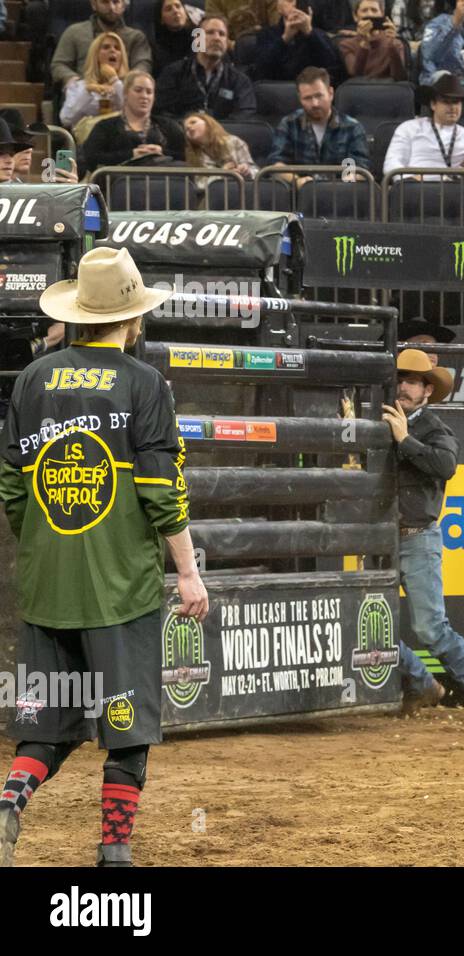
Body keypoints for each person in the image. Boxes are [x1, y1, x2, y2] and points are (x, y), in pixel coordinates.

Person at [0, 247, 208, 868]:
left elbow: (12, 486)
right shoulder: (145, 384)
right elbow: (161, 490)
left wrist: (42, 544)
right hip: (120, 590)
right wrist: (188, 571)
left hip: (47, 585)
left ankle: (9, 802)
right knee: (128, 729)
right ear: (133, 318)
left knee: (46, 726)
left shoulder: (33, 379)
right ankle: (114, 851)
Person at [384, 349, 464, 730]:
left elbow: (446, 465)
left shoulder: (434, 429)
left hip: (416, 538)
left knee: (431, 629)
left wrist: (404, 439)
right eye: (400, 380)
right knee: (372, 627)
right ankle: (422, 682)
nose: (404, 387)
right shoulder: (383, 422)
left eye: (412, 381)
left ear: (427, 390)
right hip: (383, 540)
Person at [266, 66, 371, 183]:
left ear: (330, 93)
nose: (315, 103)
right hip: (299, 192)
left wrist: (344, 181)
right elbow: (276, 165)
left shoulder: (352, 128)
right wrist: (297, 181)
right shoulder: (289, 124)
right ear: (299, 98)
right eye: (307, 98)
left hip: (340, 191)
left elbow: (360, 168)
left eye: (319, 96)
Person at [386, 74, 464, 181]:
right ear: (433, 104)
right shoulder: (409, 128)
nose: (453, 107)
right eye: (446, 102)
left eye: (456, 102)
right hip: (415, 187)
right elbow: (391, 163)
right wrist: (409, 179)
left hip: (452, 189)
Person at [155, 14, 258, 124]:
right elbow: (163, 114)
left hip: (223, 133)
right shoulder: (173, 73)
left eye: (222, 34)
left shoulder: (240, 81)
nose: (217, 38)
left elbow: (243, 117)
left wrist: (213, 130)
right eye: (210, 32)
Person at [81, 71, 187, 175]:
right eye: (138, 90)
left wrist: (162, 151)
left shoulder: (168, 126)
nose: (144, 96)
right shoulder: (105, 126)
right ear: (125, 93)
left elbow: (186, 156)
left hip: (164, 183)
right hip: (121, 183)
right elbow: (91, 158)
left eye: (149, 92)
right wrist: (131, 154)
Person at [51, 0, 153, 91]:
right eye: (105, 2)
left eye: (116, 2)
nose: (111, 7)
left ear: (123, 6)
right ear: (94, 4)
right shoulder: (74, 32)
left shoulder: (135, 37)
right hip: (84, 92)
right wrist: (73, 81)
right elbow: (59, 64)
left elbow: (143, 65)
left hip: (122, 94)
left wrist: (128, 82)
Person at [251, 0, 344, 83]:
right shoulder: (266, 34)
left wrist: (310, 33)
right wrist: (285, 39)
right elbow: (261, 70)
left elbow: (332, 67)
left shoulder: (319, 35)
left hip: (312, 88)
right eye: (289, 0)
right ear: (279, 7)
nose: (295, 4)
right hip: (277, 90)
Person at [58, 31, 128, 136]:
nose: (112, 50)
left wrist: (114, 80)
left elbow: (132, 113)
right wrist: (88, 91)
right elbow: (66, 119)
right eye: (106, 47)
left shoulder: (128, 86)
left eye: (117, 48)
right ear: (95, 55)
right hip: (87, 140)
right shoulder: (78, 86)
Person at [183, 111, 258, 191]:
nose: (189, 127)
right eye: (186, 129)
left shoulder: (234, 141)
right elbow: (200, 184)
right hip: (214, 194)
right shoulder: (193, 156)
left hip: (242, 190)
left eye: (193, 122)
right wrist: (222, 173)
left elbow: (257, 173)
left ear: (208, 123)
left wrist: (247, 171)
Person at [336, 0, 408, 80]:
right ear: (355, 16)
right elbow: (355, 74)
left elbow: (400, 76)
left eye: (374, 10)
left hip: (388, 86)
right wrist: (364, 43)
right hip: (360, 87)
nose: (370, 14)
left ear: (382, 14)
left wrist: (392, 45)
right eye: (364, 10)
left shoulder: (395, 43)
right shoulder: (347, 44)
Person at [153, 0, 204, 77]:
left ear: (186, 13)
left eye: (178, 6)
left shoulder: (199, 36)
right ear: (161, 19)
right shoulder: (157, 46)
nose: (175, 11)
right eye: (169, 9)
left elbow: (202, 66)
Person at [207, 0, 279, 40]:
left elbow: (277, 29)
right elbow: (215, 31)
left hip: (265, 43)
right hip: (230, 48)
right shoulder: (214, 2)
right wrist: (232, 45)